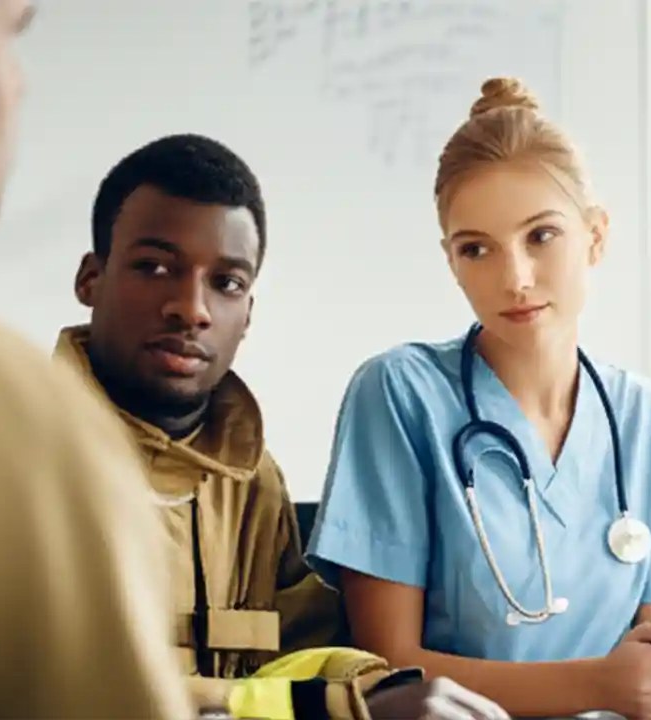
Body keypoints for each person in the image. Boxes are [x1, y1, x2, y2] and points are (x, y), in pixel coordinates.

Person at [306, 77, 651, 720]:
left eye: (541, 236)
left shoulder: (641, 415)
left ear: (596, 236)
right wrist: (602, 685)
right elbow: (390, 667)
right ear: (451, 260)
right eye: (477, 249)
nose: (515, 278)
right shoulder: (400, 393)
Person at [59, 132, 507, 720]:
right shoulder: (17, 457)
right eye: (155, 267)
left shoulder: (249, 478)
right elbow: (66, 685)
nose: (192, 308)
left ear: (248, 314)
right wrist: (334, 707)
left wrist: (373, 684)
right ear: (91, 279)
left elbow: (298, 651)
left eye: (227, 283)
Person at [0, 1, 194, 717]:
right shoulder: (10, 425)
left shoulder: (258, 482)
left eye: (227, 282)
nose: (18, 85)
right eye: (10, 39)